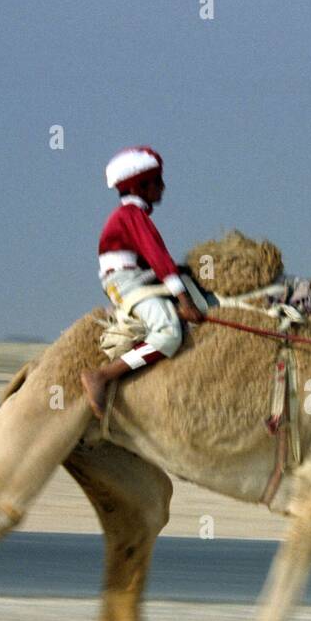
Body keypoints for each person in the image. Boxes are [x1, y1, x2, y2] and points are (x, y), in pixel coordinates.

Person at [80, 145, 205, 418]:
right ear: (140, 187)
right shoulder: (132, 217)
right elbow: (158, 258)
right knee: (169, 334)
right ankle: (102, 376)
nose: (163, 187)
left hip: (135, 278)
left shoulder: (132, 217)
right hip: (128, 283)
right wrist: (184, 301)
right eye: (157, 182)